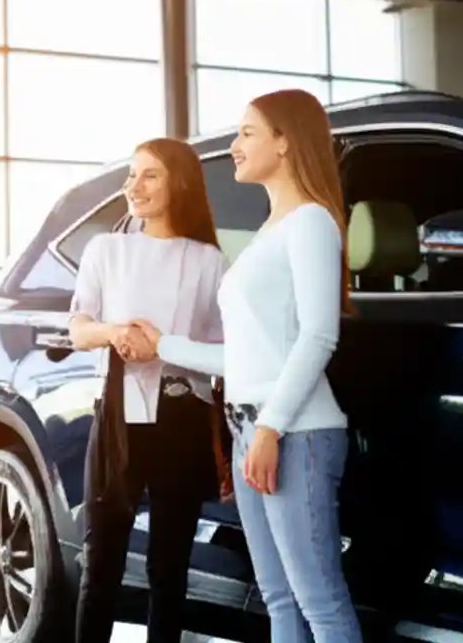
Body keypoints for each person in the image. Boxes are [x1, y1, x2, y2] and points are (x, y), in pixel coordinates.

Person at [133, 89, 363, 643]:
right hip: (252, 429)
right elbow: (246, 357)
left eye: (247, 133)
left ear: (285, 142)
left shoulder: (310, 222)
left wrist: (269, 428)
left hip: (294, 433)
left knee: (321, 603)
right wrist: (163, 345)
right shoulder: (272, 229)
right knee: (279, 600)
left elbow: (318, 336)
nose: (234, 146)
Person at [68, 138, 229, 643]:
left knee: (169, 570)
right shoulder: (106, 249)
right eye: (132, 175)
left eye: (149, 175)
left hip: (182, 419)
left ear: (178, 183)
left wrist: (166, 348)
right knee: (102, 565)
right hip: (118, 415)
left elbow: (220, 351)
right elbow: (79, 329)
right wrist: (115, 334)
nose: (133, 187)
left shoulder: (208, 261)